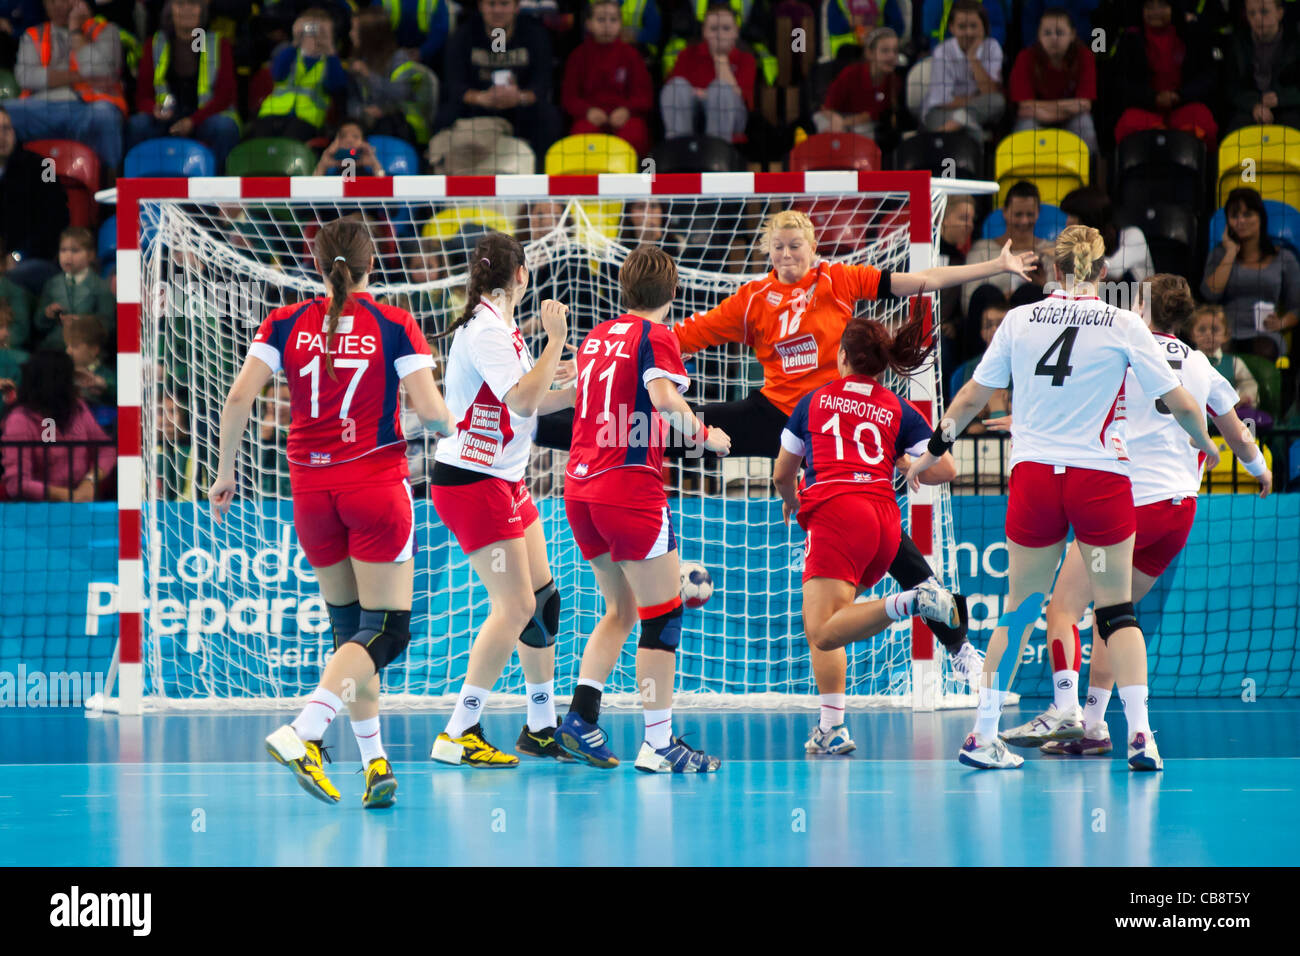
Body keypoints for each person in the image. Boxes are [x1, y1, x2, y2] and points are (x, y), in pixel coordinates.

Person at [669, 208, 1035, 744]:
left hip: (833, 426)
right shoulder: (751, 301)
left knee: (847, 598)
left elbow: (925, 279)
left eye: (796, 246)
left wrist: (991, 267)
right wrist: (611, 354)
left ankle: (951, 652)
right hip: (787, 414)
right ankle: (561, 424)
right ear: (766, 252)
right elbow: (680, 338)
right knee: (673, 425)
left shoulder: (840, 279)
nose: (787, 256)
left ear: (814, 246)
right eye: (777, 248)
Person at [906, 227, 1221, 770]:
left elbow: (970, 398)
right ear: (1103, 273)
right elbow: (1181, 402)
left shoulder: (1019, 319)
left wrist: (932, 449)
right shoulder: (1122, 323)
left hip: (1035, 479)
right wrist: (1205, 445)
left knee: (1020, 608)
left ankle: (982, 738)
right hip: (1098, 482)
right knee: (1117, 611)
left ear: (1054, 269)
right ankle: (1140, 736)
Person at [210, 216, 453, 808]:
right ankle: (305, 729)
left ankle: (374, 764)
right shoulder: (394, 323)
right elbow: (433, 413)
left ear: (316, 264)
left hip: (310, 493)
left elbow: (239, 396)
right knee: (389, 630)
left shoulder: (286, 320)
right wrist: (469, 416)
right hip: (374, 486)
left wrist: (224, 473)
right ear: (374, 263)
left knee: (354, 635)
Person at [998, 274, 1271, 757]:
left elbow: (1069, 405)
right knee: (1116, 615)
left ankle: (1067, 711)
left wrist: (1023, 422)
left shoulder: (1121, 349)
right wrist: (1259, 468)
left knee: (1063, 608)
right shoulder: (1202, 363)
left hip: (1127, 503)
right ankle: (1098, 727)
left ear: (1142, 308)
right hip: (1177, 511)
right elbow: (1236, 429)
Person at [556, 243, 731, 771]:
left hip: (580, 487)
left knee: (621, 609)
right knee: (664, 619)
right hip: (628, 489)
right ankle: (659, 746)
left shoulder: (595, 337)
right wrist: (707, 438)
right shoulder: (658, 335)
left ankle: (580, 720)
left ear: (623, 289)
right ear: (672, 292)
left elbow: (574, 398)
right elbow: (662, 399)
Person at [774, 315, 962, 753]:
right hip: (884, 523)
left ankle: (913, 600)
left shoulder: (814, 400)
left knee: (821, 630)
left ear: (841, 356)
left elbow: (783, 473)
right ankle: (831, 727)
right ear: (881, 365)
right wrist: (906, 465)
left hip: (838, 515)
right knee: (830, 623)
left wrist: (791, 498)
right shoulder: (897, 407)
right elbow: (948, 469)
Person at [428, 231, 578, 768]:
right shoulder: (488, 331)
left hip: (505, 481)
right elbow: (522, 400)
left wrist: (579, 388)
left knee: (542, 600)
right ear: (522, 275)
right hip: (473, 482)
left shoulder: (503, 329)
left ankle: (539, 727)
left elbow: (532, 400)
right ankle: (458, 731)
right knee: (514, 605)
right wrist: (556, 341)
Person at [437, 0, 562, 173]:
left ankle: (543, 188)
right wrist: (482, 98)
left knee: (550, 118)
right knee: (444, 116)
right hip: (478, 106)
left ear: (516, 7)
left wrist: (520, 97)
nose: (497, 10)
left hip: (520, 106)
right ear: (480, 6)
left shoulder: (535, 35)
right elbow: (454, 85)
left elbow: (543, 83)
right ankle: (441, 179)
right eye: (491, 4)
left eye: (504, 4)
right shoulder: (463, 35)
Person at [4, 0, 126, 172]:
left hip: (87, 109)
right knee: (6, 113)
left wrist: (76, 31)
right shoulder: (32, 35)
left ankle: (109, 190)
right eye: (52, 1)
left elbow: (102, 70)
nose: (58, 6)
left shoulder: (106, 31)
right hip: (40, 111)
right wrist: (81, 76)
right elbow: (26, 77)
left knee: (105, 116)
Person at [127, 0, 240, 171]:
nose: (186, 10)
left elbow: (225, 97)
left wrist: (192, 121)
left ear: (201, 10)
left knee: (225, 128)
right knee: (137, 125)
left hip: (204, 118)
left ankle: (219, 189)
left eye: (193, 4)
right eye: (180, 4)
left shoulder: (218, 43)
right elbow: (142, 96)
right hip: (165, 119)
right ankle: (138, 187)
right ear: (170, 10)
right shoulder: (154, 43)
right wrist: (154, 109)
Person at [1, 349, 115, 500]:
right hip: (37, 511)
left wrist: (89, 481)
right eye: (69, 379)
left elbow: (107, 449)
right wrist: (70, 496)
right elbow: (17, 483)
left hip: (80, 505)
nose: (74, 384)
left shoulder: (78, 408)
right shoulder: (19, 420)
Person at [1201, 186, 1300, 359]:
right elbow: (1210, 294)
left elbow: (1297, 307)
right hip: (1225, 334)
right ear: (1227, 222)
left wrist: (1281, 323)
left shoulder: (1285, 257)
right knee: (1217, 353)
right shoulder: (1220, 253)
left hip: (1265, 335)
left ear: (1260, 217)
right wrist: (1230, 252)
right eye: (1234, 216)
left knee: (1263, 350)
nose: (1241, 221)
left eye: (1247, 214)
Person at [1113, 0, 1218, 147]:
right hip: (1145, 109)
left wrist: (1179, 95)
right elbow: (1122, 83)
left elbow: (1207, 77)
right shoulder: (1129, 40)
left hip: (1184, 105)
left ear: (1172, 8)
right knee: (1126, 125)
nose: (1156, 12)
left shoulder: (1191, 34)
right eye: (1150, 7)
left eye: (1162, 6)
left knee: (1205, 124)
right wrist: (1153, 98)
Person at [561, 0, 653, 156]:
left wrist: (627, 110)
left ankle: (633, 178)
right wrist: (587, 111)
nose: (607, 25)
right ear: (589, 24)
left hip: (625, 117)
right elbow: (569, 98)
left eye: (613, 20)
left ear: (620, 24)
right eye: (601, 19)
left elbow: (644, 97)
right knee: (581, 135)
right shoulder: (578, 56)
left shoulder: (631, 55)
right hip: (590, 117)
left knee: (635, 135)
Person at [659, 2, 755, 143]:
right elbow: (673, 90)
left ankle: (717, 152)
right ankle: (679, 148)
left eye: (726, 29)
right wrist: (699, 94)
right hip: (692, 113)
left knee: (721, 90)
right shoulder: (688, 54)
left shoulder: (746, 59)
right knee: (676, 87)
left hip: (731, 119)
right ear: (704, 31)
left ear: (736, 32)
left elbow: (739, 97)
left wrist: (720, 58)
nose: (719, 34)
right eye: (713, 29)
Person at [247, 7, 346, 142]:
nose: (314, 35)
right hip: (272, 112)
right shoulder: (287, 51)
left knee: (290, 143)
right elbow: (277, 74)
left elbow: (337, 86)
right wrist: (295, 43)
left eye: (321, 31)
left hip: (307, 119)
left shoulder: (330, 60)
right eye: (310, 29)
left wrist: (329, 48)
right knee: (259, 142)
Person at [1009, 5, 1098, 153]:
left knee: (1085, 126)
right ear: (1038, 35)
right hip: (1038, 118)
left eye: (1060, 32)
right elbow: (1024, 108)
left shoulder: (1086, 56)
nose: (1053, 38)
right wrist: (1069, 106)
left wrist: (1042, 108)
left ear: (1073, 34)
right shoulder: (1025, 57)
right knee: (1024, 131)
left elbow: (1085, 105)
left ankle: (1092, 175)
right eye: (1047, 33)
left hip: (1070, 117)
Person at [0, 104, 68, 296]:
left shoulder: (42, 166)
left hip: (33, 262)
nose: (2, 136)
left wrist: (17, 256)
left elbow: (55, 223)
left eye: (7, 128)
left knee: (8, 282)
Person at [346, 6, 438, 144]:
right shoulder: (358, 60)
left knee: (383, 126)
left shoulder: (399, 59)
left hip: (402, 125)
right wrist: (363, 111)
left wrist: (368, 75)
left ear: (369, 35)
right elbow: (352, 99)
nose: (350, 34)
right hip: (368, 123)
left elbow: (399, 94)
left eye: (355, 30)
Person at [961, 180, 1054, 315]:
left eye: (1030, 214)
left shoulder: (1051, 252)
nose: (1024, 221)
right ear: (1004, 213)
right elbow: (968, 305)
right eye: (1018, 214)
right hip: (991, 329)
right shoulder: (980, 251)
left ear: (1038, 213)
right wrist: (1001, 302)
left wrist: (1043, 287)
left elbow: (1062, 306)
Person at [920, 0, 1005, 145]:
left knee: (998, 102)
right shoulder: (942, 51)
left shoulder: (993, 47)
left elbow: (990, 93)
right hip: (940, 112)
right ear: (952, 28)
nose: (969, 32)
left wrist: (973, 58)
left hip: (977, 109)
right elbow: (943, 101)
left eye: (974, 26)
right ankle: (965, 124)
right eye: (962, 27)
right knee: (970, 133)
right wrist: (973, 99)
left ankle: (960, 123)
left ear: (983, 27)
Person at [813, 26, 901, 145]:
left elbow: (871, 116)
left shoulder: (893, 82)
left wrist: (845, 124)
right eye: (885, 51)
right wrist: (838, 122)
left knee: (863, 134)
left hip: (861, 123)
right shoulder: (850, 74)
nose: (892, 56)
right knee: (827, 128)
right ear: (869, 53)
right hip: (834, 116)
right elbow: (827, 108)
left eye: (895, 51)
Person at [1223, 0, 1300, 134]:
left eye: (1264, 12)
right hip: (1249, 109)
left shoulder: (1295, 44)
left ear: (1280, 13)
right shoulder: (1238, 44)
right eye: (1251, 13)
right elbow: (1231, 87)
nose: (1257, 18)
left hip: (1289, 108)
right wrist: (1254, 104)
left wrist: (1280, 98)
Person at [34, 226, 114, 351]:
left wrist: (84, 323)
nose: (68, 256)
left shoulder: (100, 286)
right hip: (55, 348)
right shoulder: (52, 284)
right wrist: (47, 314)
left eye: (75, 251)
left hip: (85, 350)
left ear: (91, 255)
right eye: (63, 250)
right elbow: (38, 324)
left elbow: (109, 325)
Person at [1059, 186, 1153, 285]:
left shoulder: (1134, 236)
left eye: (1073, 216)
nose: (1068, 222)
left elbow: (1114, 270)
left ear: (1089, 219)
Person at [1189, 303, 1260, 409]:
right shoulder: (1188, 361)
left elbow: (1248, 384)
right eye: (1202, 330)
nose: (1208, 334)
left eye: (1214, 329)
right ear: (1192, 335)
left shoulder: (1234, 362)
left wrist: (1244, 397)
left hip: (1227, 417)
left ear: (1226, 335)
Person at [64, 312, 113, 406]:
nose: (68, 351)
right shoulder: (65, 371)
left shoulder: (106, 376)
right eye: (67, 345)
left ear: (94, 350)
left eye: (74, 346)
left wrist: (104, 386)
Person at [313, 120, 385, 176]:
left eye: (355, 136)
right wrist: (323, 163)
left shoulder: (368, 160)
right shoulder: (330, 163)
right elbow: (314, 187)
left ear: (364, 142)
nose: (349, 141)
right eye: (343, 136)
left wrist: (374, 162)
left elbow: (383, 185)